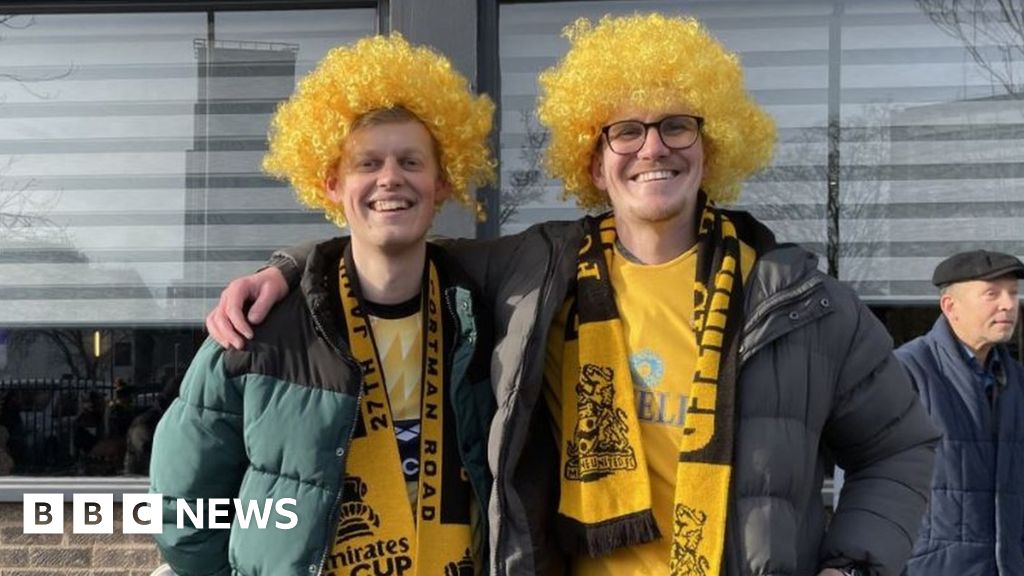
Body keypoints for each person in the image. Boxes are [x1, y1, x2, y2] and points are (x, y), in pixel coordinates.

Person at [206, 14, 939, 576]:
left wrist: (853, 565)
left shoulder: (799, 302)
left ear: (712, 147)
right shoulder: (535, 273)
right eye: (626, 130)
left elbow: (901, 449)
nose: (653, 148)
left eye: (676, 124)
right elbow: (393, 240)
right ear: (593, 158)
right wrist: (288, 267)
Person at [150, 34, 496, 576]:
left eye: (411, 161)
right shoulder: (255, 335)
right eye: (367, 163)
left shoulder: (488, 316)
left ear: (442, 183)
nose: (390, 178)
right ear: (332, 183)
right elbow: (184, 513)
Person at [894, 250, 1024, 575]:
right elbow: (866, 478)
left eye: (1013, 293)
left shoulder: (1017, 381)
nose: (1009, 304)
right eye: (992, 294)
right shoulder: (904, 372)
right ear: (951, 307)